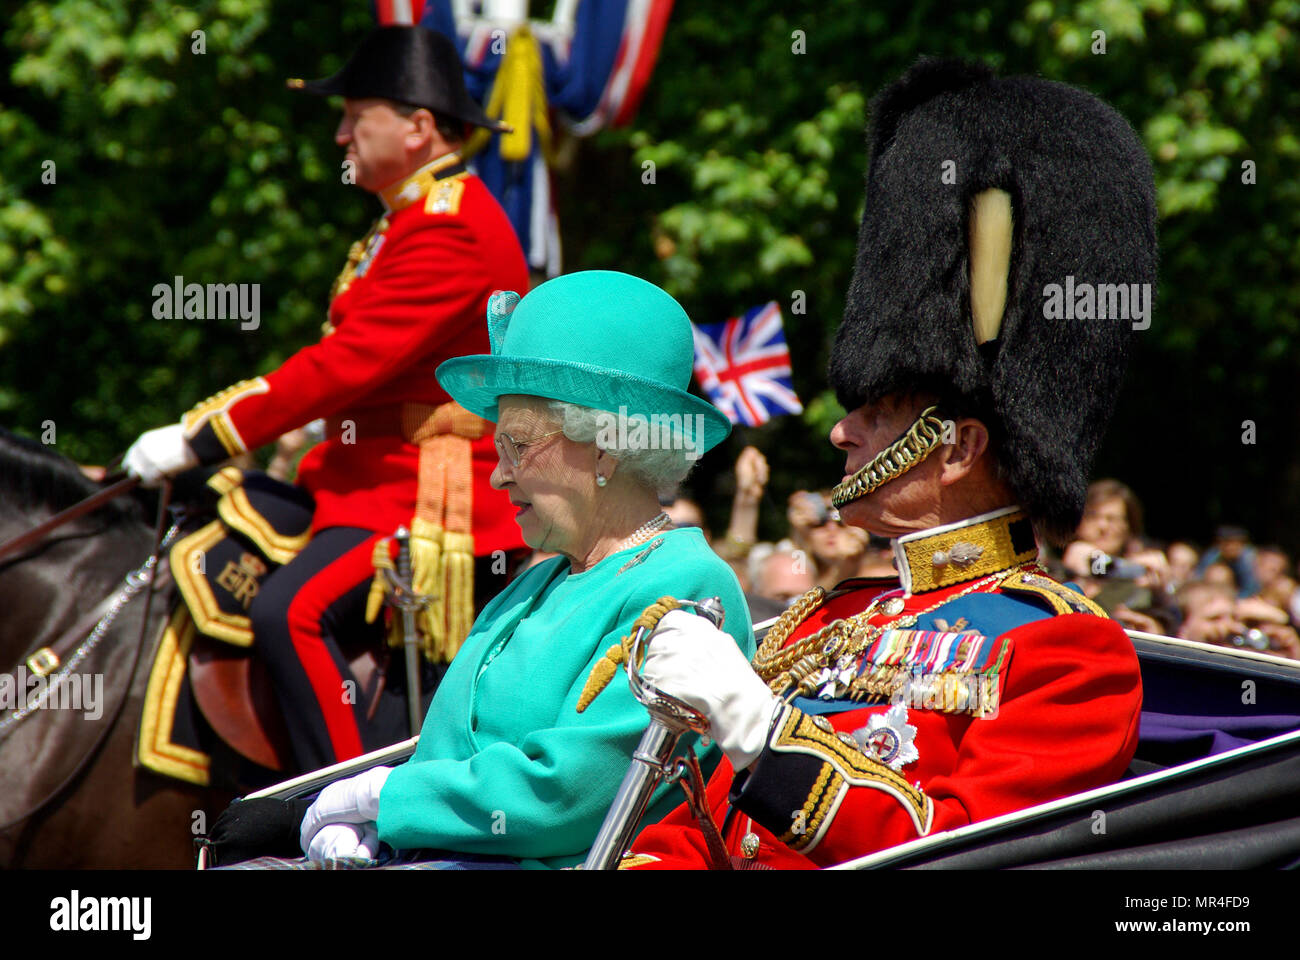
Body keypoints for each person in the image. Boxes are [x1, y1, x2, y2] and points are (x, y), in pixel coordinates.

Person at [621, 60, 1150, 868]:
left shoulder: (1066, 654)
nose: (842, 434)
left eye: (877, 414)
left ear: (960, 447)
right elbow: (695, 829)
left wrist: (765, 737)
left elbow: (955, 852)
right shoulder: (822, 621)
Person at [208, 271, 753, 869]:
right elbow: (445, 754)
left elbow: (564, 796)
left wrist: (380, 799)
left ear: (607, 446)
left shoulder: (684, 584)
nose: (498, 475)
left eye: (520, 446)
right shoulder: (532, 585)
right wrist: (377, 831)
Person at [121, 26, 530, 772]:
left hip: (430, 495)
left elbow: (344, 364)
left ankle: (340, 807)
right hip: (365, 479)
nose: (340, 134)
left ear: (418, 126)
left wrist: (200, 433)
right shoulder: (408, 216)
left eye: (354, 115)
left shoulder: (450, 228)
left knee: (291, 613)